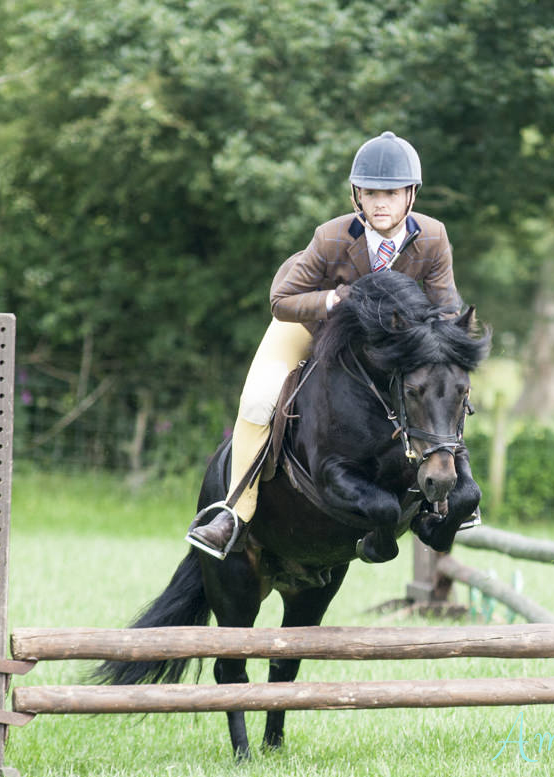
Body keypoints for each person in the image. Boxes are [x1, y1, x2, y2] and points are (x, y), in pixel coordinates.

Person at [186, 131, 463, 558]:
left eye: (391, 193)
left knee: (441, 388)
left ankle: (449, 494)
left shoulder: (432, 237)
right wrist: (333, 299)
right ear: (356, 195)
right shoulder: (331, 236)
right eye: (371, 192)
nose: (381, 203)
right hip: (313, 326)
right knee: (259, 400)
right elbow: (281, 299)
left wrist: (442, 347)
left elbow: (446, 307)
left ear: (411, 195)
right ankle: (232, 514)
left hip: (394, 342)